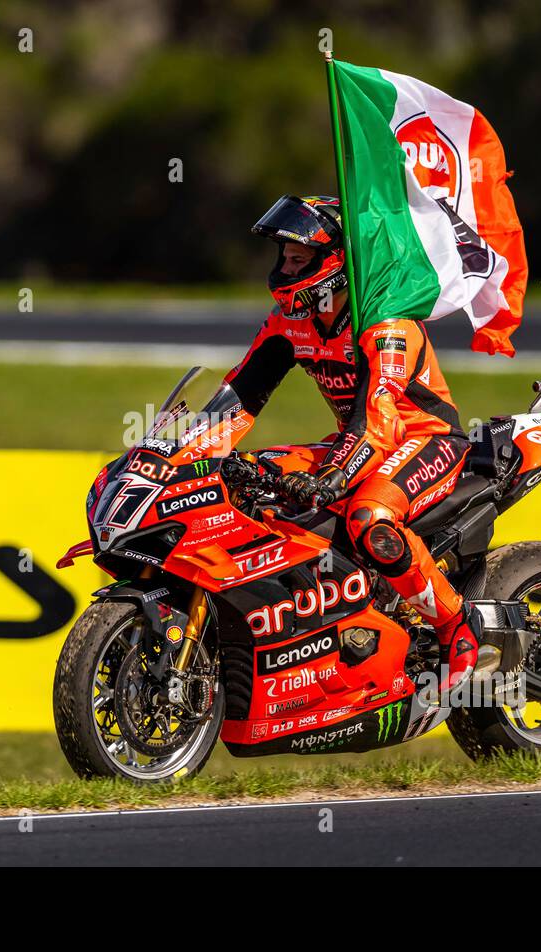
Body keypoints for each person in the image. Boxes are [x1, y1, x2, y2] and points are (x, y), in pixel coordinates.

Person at [224, 194, 482, 692]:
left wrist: (331, 477)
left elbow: (377, 420)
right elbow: (239, 395)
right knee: (248, 474)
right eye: (285, 258)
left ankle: (456, 624)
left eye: (299, 259)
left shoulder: (385, 322)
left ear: (336, 263)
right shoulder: (291, 321)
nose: (284, 269)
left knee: (369, 519)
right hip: (356, 441)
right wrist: (179, 451)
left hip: (423, 439)